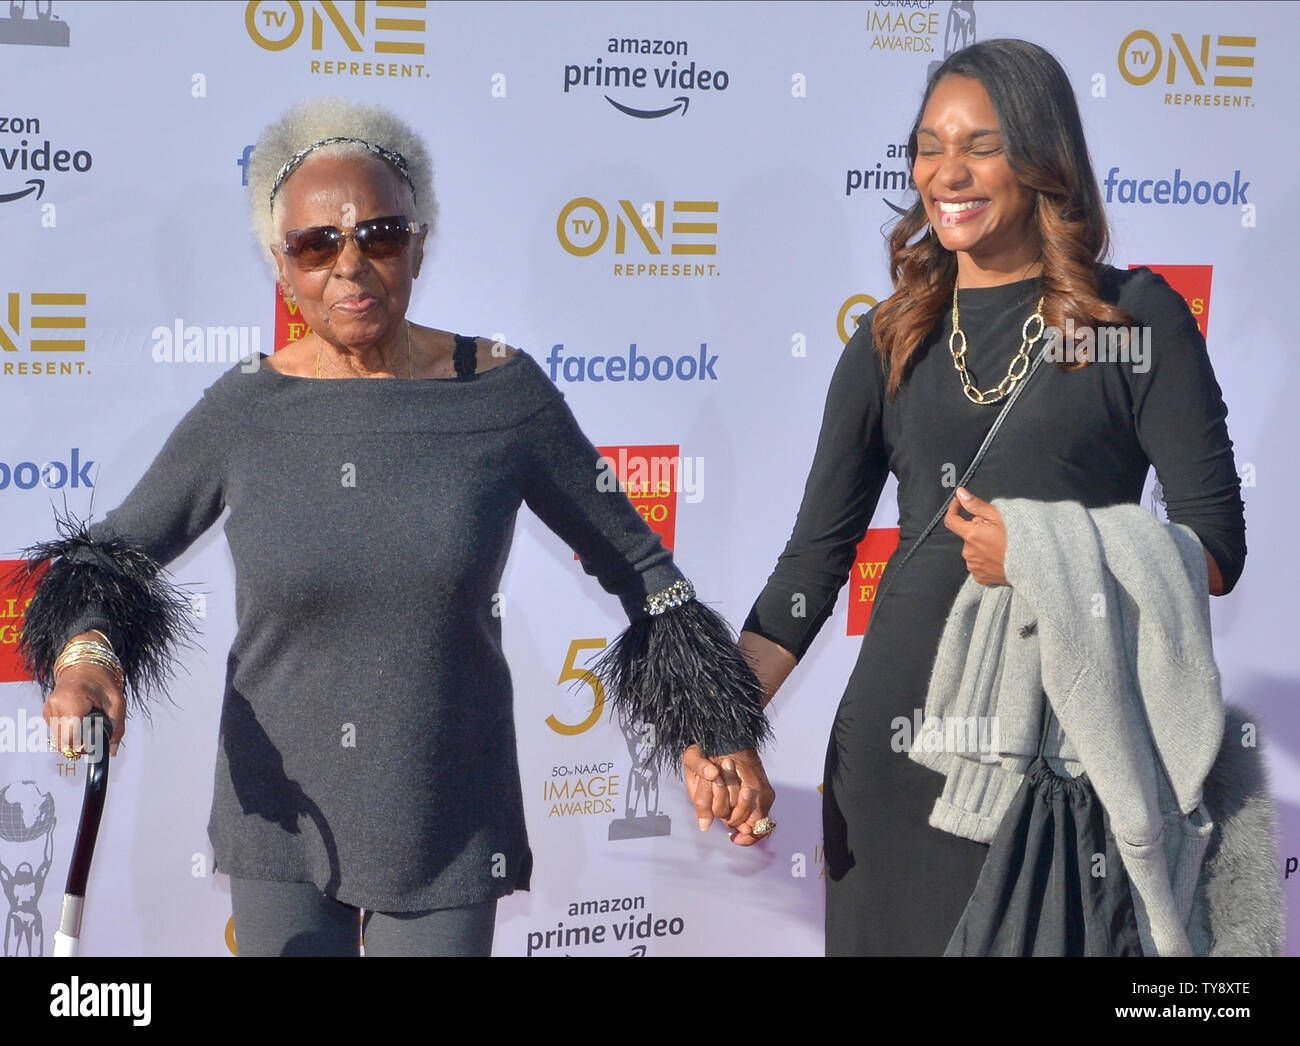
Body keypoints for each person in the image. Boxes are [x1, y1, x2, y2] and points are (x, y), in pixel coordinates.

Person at [19, 97, 773, 957]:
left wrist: (713, 724)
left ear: (419, 241)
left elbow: (640, 566)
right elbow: (106, 560)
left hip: (450, 815)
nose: (350, 265)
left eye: (377, 235)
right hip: (282, 813)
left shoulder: (502, 395)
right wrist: (85, 657)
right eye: (317, 245)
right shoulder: (244, 410)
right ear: (282, 264)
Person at [724, 39, 1246, 956]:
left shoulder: (1134, 322)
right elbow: (814, 559)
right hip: (892, 761)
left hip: (1054, 762)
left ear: (1044, 161)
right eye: (929, 146)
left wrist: (1043, 556)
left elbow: (1214, 547)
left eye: (981, 146)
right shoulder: (890, 338)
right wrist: (722, 722)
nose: (947, 173)